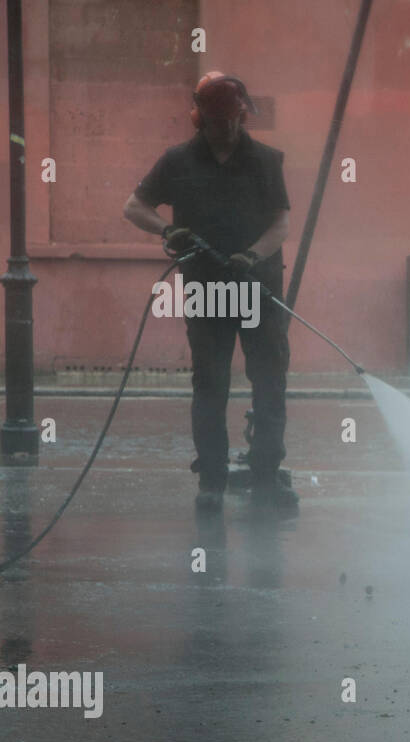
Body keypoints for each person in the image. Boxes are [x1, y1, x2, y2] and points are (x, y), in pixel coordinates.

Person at [123, 72, 297, 514]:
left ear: (243, 114)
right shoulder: (177, 161)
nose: (230, 128)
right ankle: (212, 484)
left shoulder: (264, 160)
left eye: (235, 119)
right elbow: (134, 206)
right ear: (202, 119)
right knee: (210, 386)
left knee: (270, 384)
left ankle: (264, 477)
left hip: (258, 289)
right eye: (220, 121)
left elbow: (281, 223)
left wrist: (252, 255)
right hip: (206, 290)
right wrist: (168, 229)